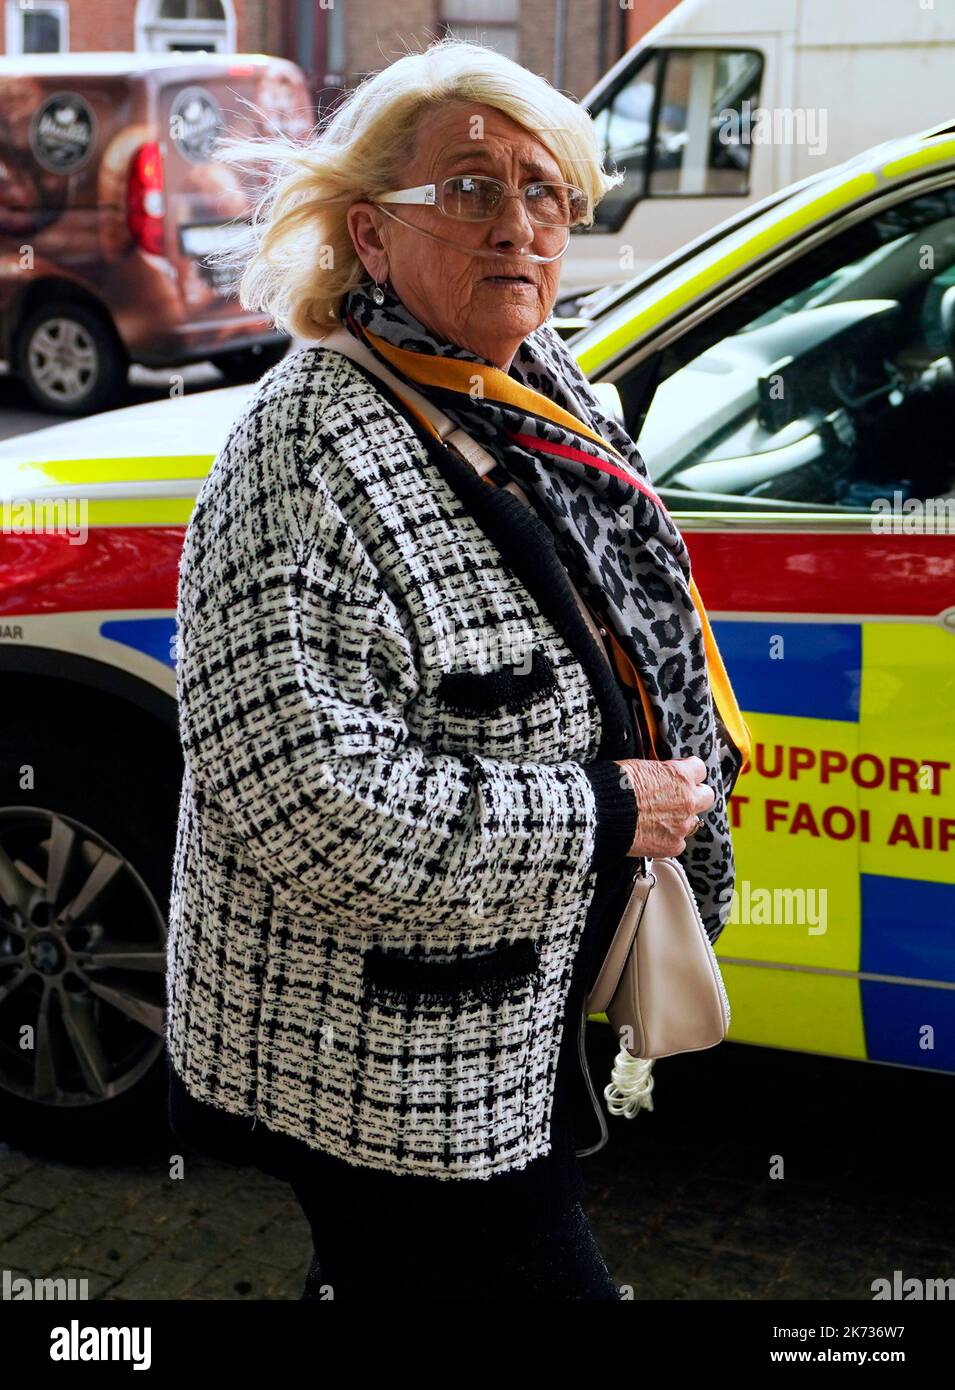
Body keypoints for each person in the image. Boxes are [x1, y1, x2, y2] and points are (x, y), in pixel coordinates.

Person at [165, 37, 749, 1302]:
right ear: (370, 238)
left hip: (513, 1023)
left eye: (548, 193)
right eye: (473, 189)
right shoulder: (300, 453)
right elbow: (308, 807)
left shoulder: (535, 381)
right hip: (380, 1062)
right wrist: (609, 811)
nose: (522, 227)